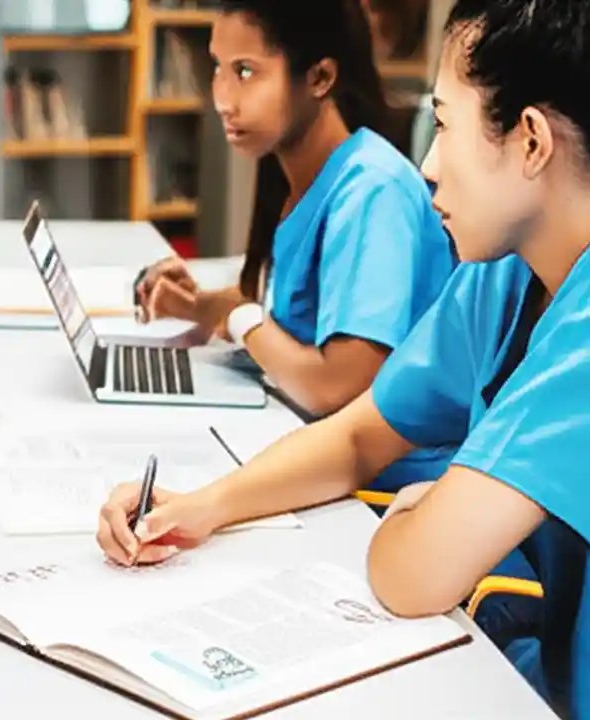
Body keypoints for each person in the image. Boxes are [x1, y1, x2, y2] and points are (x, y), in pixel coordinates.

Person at [100, 0, 590, 714]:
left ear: (531, 142)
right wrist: (204, 506)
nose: (426, 163)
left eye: (445, 125)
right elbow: (363, 430)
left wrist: (414, 515)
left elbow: (414, 573)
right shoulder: (503, 276)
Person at [135, 0, 456, 492]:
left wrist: (240, 316)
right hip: (315, 455)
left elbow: (336, 387)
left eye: (246, 72)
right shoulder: (296, 173)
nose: (223, 97)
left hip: (386, 490)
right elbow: (294, 325)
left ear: (320, 78)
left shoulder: (372, 188)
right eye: (218, 68)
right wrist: (202, 306)